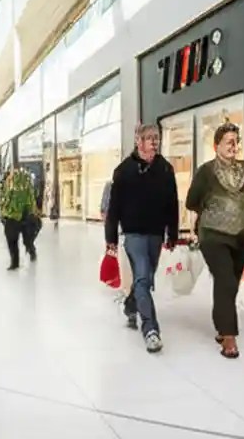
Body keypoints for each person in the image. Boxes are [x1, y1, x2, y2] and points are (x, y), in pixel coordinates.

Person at [106, 123, 179, 354]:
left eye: (156, 138)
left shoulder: (166, 169)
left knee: (145, 278)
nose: (154, 142)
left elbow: (172, 204)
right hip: (133, 233)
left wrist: (173, 233)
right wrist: (111, 239)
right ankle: (150, 330)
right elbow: (114, 208)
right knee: (141, 277)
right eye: (149, 138)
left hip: (156, 233)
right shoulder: (123, 171)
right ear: (138, 141)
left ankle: (130, 306)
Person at [185, 123, 244, 359]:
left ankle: (220, 323)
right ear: (216, 146)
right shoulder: (205, 171)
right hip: (212, 234)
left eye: (236, 141)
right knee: (225, 280)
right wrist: (196, 225)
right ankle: (229, 337)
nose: (233, 146)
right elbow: (192, 201)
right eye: (229, 141)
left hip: (240, 235)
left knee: (230, 285)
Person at [0, 171, 37, 269]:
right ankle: (30, 252)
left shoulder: (9, 188)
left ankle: (15, 262)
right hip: (23, 217)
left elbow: (4, 202)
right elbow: (31, 202)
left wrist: (3, 215)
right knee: (26, 240)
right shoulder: (28, 189)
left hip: (13, 218)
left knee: (12, 241)